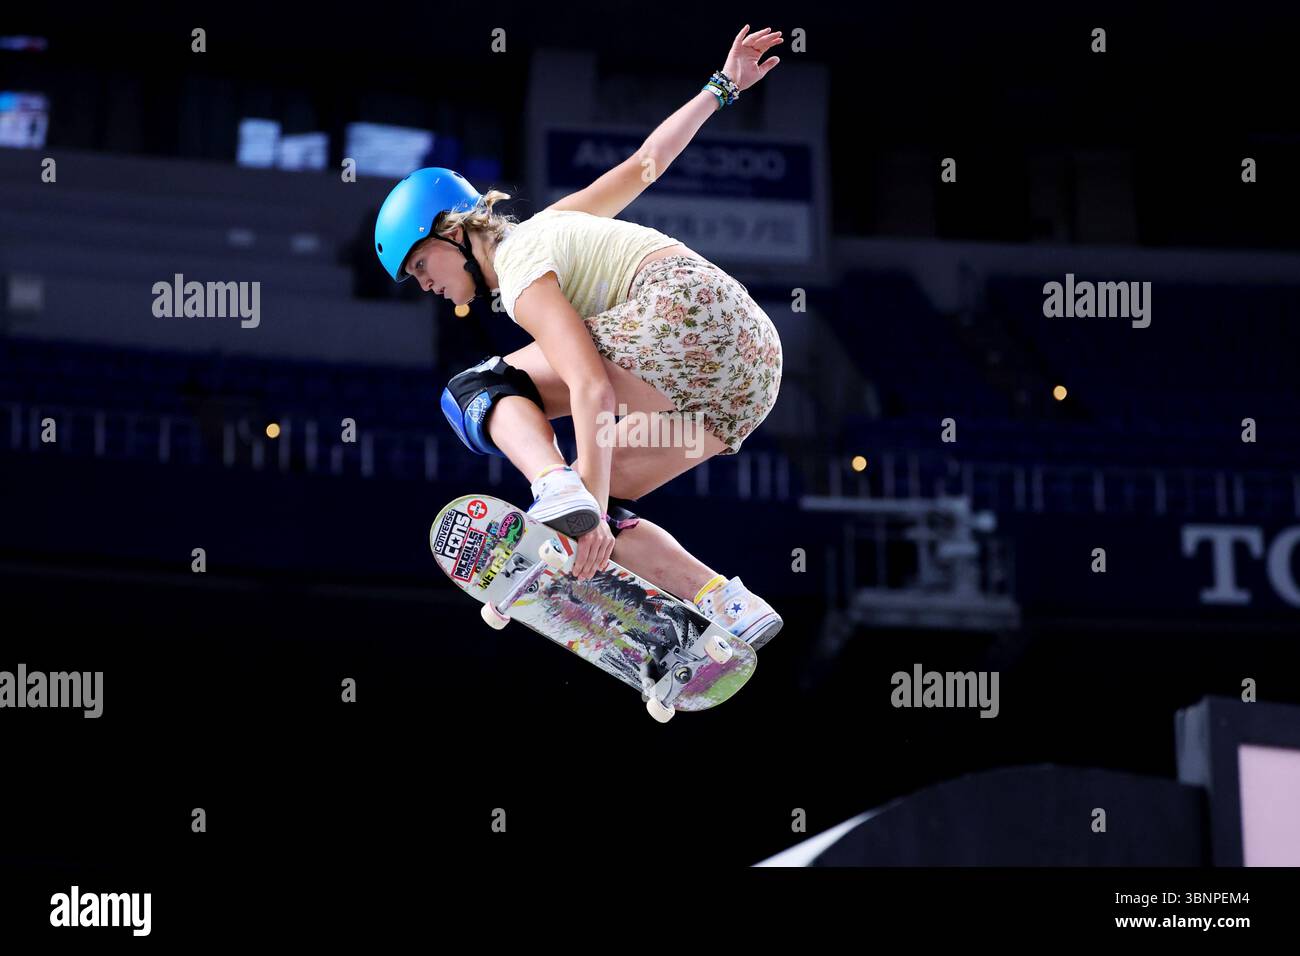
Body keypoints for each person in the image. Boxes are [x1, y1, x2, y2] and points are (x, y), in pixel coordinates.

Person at [374, 26, 785, 649]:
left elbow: (591, 384)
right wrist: (721, 88)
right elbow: (648, 163)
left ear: (451, 231)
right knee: (607, 490)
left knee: (476, 389)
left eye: (421, 267)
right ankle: (725, 602)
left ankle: (556, 488)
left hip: (684, 316)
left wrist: (578, 504)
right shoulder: (558, 224)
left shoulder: (518, 265)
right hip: (746, 382)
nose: (424, 284)